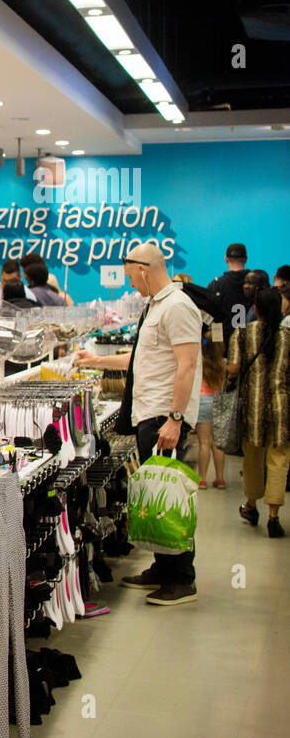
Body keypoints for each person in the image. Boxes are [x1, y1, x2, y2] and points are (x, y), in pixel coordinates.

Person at [74, 243, 202, 605]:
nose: (131, 286)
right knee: (155, 495)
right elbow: (140, 357)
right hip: (152, 414)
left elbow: (187, 365)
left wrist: (175, 419)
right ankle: (163, 567)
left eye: (131, 277)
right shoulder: (157, 306)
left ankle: (182, 579)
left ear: (144, 269)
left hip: (165, 416)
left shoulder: (177, 307)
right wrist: (94, 361)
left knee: (170, 497)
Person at [227, 287, 288, 539]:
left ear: (256, 308)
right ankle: (274, 515)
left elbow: (233, 368)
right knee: (279, 460)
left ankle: (251, 505)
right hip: (282, 407)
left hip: (251, 407)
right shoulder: (286, 336)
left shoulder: (242, 334)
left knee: (252, 458)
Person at [195, 331, 227, 490]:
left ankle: (202, 479)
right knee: (217, 444)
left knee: (204, 442)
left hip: (203, 402)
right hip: (219, 402)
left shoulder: (200, 362)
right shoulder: (223, 364)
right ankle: (220, 479)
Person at [209, 242, 247, 342]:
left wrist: (217, 346)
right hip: (253, 345)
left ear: (226, 259)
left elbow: (212, 318)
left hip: (225, 346)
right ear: (246, 259)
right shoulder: (257, 282)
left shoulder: (216, 285)